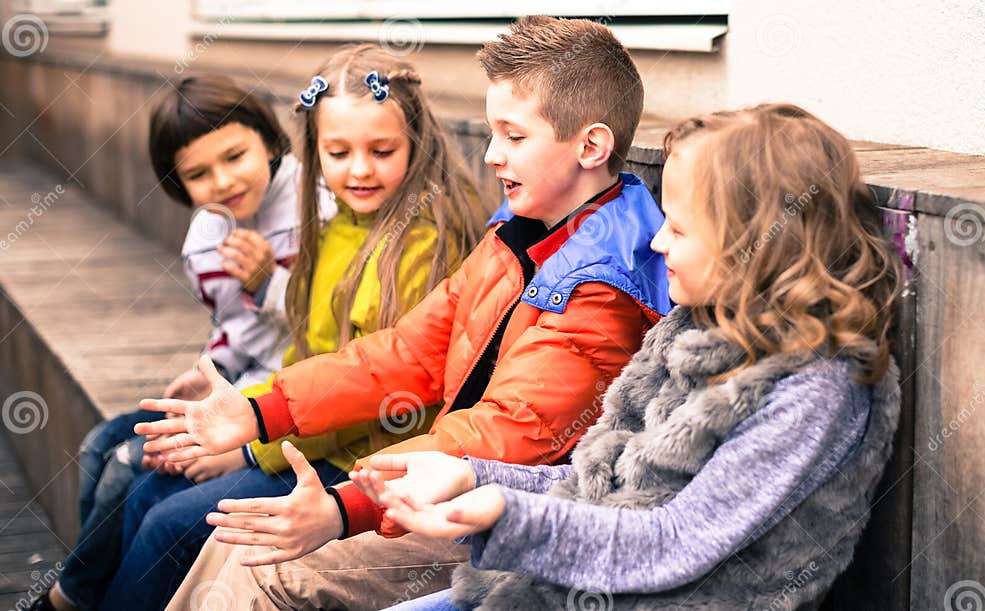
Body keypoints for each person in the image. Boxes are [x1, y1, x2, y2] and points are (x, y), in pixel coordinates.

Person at [151, 16, 672, 611]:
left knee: (269, 564)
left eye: (514, 137)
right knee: (239, 540)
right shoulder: (522, 235)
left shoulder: (603, 289)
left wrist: (353, 504)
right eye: (491, 133)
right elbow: (404, 352)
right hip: (436, 487)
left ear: (591, 147)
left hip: (501, 520)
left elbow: (507, 433)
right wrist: (258, 411)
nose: (494, 155)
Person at [356, 103, 904, 611]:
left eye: (681, 228)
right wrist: (469, 477)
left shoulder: (813, 390)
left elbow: (676, 541)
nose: (657, 242)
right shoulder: (693, 334)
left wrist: (505, 516)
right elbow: (603, 484)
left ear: (756, 244)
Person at [89, 45, 490, 611]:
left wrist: (251, 449)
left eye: (382, 150)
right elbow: (311, 356)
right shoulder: (338, 220)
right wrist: (239, 416)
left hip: (362, 460)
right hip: (305, 433)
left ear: (416, 141)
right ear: (313, 151)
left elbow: (371, 395)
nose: (359, 170)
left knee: (168, 526)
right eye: (338, 152)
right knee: (147, 482)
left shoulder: (422, 243)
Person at [35, 74, 307, 611]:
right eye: (198, 174)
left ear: (270, 141)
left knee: (132, 464)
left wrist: (269, 283)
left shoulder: (312, 207)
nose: (224, 181)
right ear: (178, 184)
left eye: (235, 156)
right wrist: (211, 367)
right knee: (102, 443)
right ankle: (83, 589)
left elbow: (327, 331)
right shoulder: (207, 236)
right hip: (244, 385)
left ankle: (72, 597)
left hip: (285, 399)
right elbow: (238, 327)